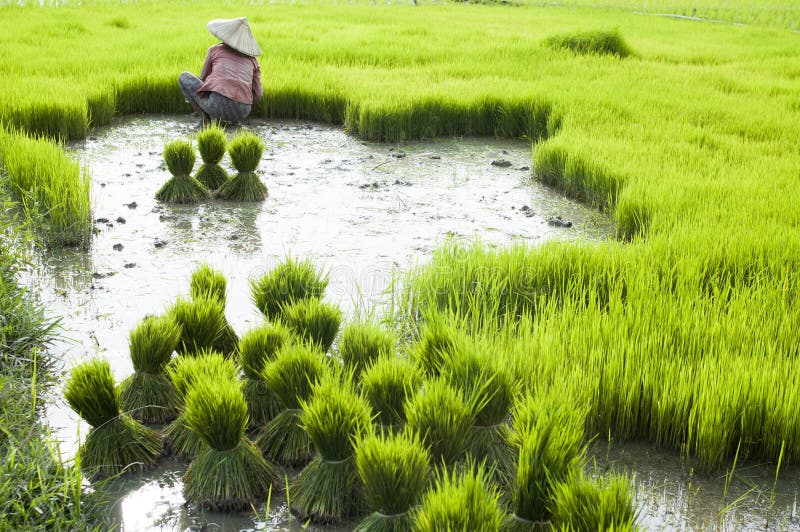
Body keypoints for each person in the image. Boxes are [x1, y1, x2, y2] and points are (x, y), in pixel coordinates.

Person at [179, 18, 263, 126]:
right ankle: (234, 122)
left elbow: (202, 79)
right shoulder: (253, 61)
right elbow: (259, 94)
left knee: (184, 77)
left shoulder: (214, 50)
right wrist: (241, 103)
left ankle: (205, 119)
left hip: (216, 104)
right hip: (244, 110)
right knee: (233, 107)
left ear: (225, 35)